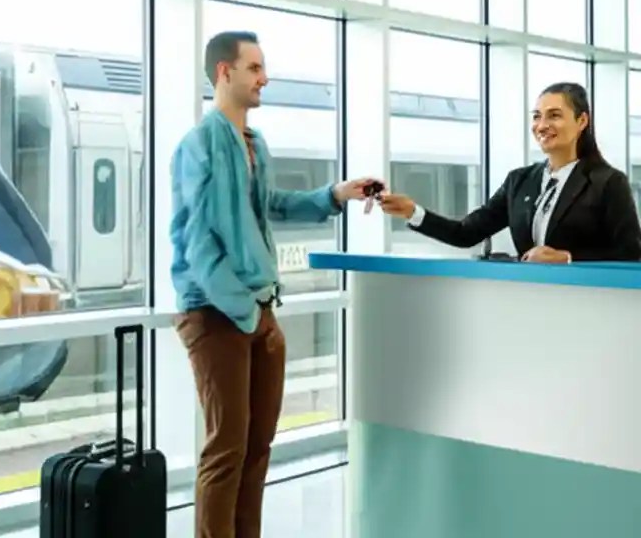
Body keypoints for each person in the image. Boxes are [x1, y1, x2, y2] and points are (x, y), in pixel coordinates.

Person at [169, 31, 381, 538]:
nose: (265, 78)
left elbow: (273, 206)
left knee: (257, 448)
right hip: (216, 313)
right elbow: (199, 243)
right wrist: (243, 309)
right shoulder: (199, 145)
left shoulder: (254, 144)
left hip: (259, 313)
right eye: (255, 68)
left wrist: (335, 194)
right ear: (225, 72)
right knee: (226, 450)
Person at [379, 81, 641, 262]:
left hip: (590, 304)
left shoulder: (608, 182)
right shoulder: (520, 181)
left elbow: (631, 253)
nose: (542, 125)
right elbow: (465, 233)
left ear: (582, 121)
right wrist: (413, 212)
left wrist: (568, 258)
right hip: (526, 302)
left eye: (554, 116)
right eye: (537, 116)